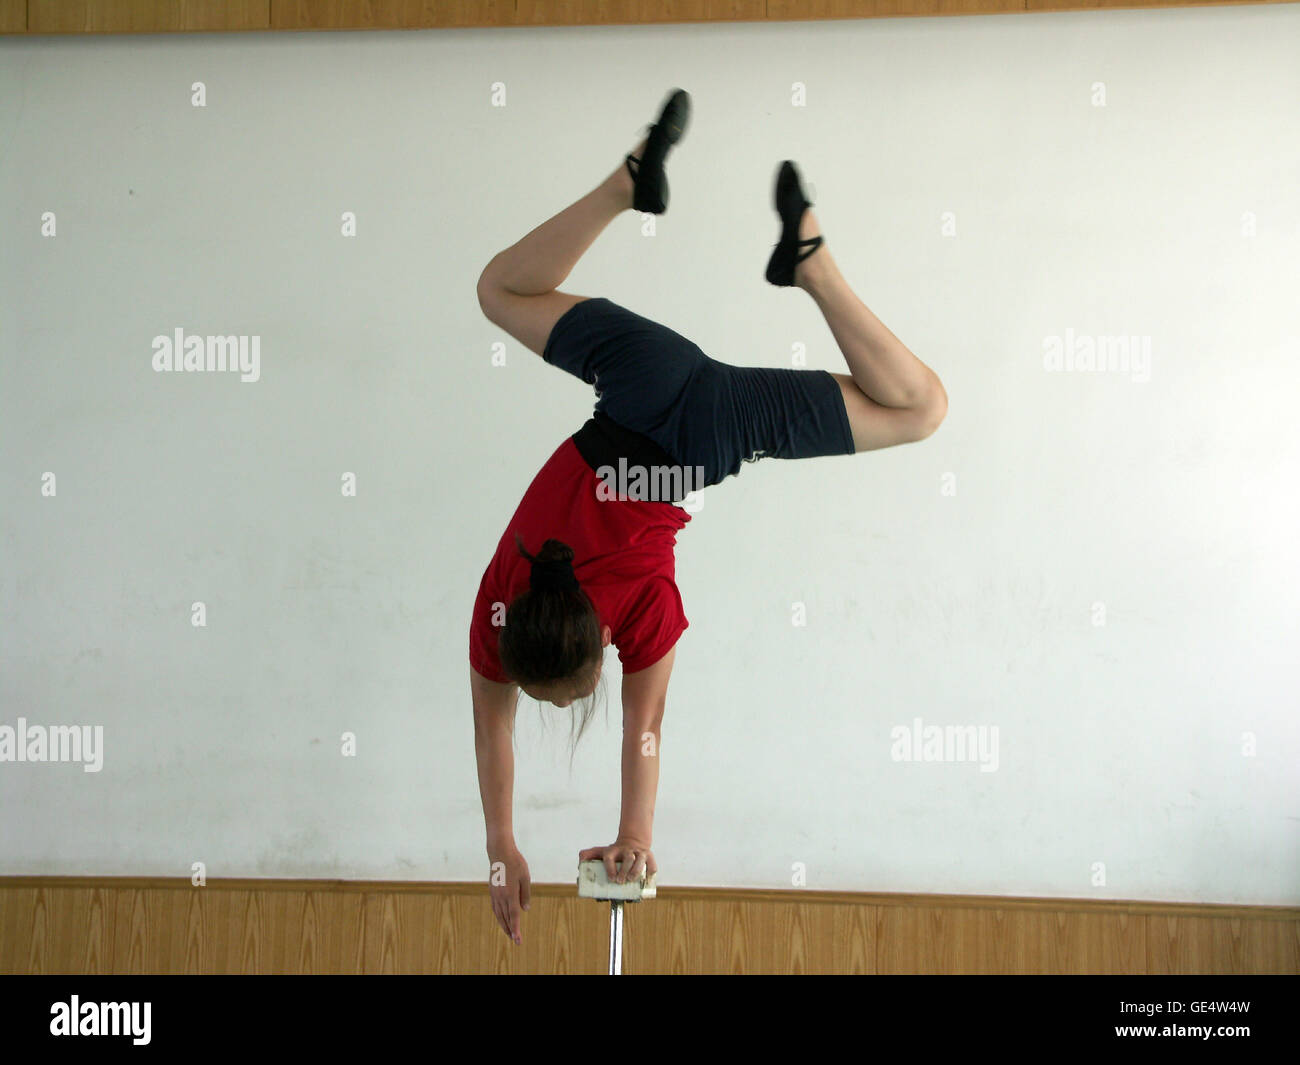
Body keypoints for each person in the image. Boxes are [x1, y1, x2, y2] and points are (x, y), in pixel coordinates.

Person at [470, 89, 947, 945]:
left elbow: (642, 728)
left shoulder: (639, 609)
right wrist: (501, 844)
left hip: (712, 433)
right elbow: (497, 718)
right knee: (499, 290)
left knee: (920, 410)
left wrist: (633, 838)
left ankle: (812, 265)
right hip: (642, 377)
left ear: (598, 642)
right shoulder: (504, 594)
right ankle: (628, 183)